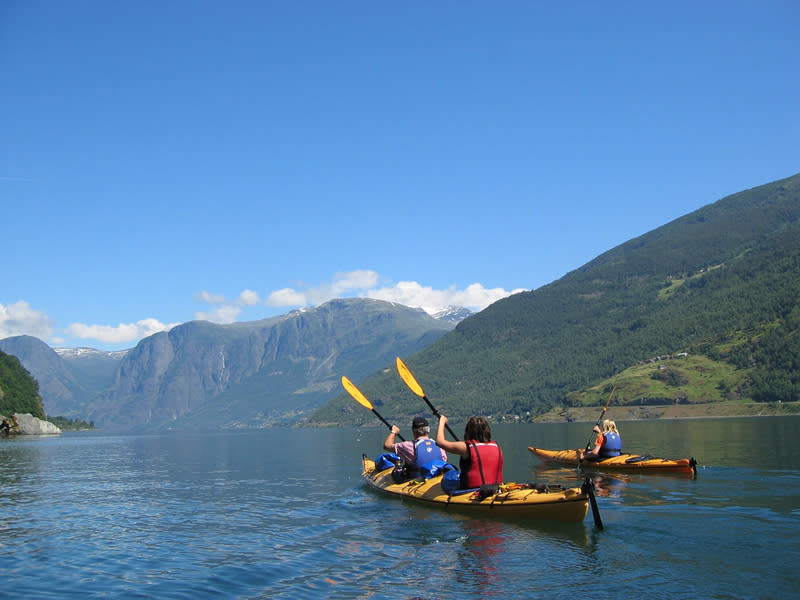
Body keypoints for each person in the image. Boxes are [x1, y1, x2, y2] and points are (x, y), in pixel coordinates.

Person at [436, 414, 503, 491]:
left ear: (469, 432)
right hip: (495, 489)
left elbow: (440, 442)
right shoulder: (497, 447)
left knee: (449, 475)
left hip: (472, 490)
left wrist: (442, 422)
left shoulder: (466, 447)